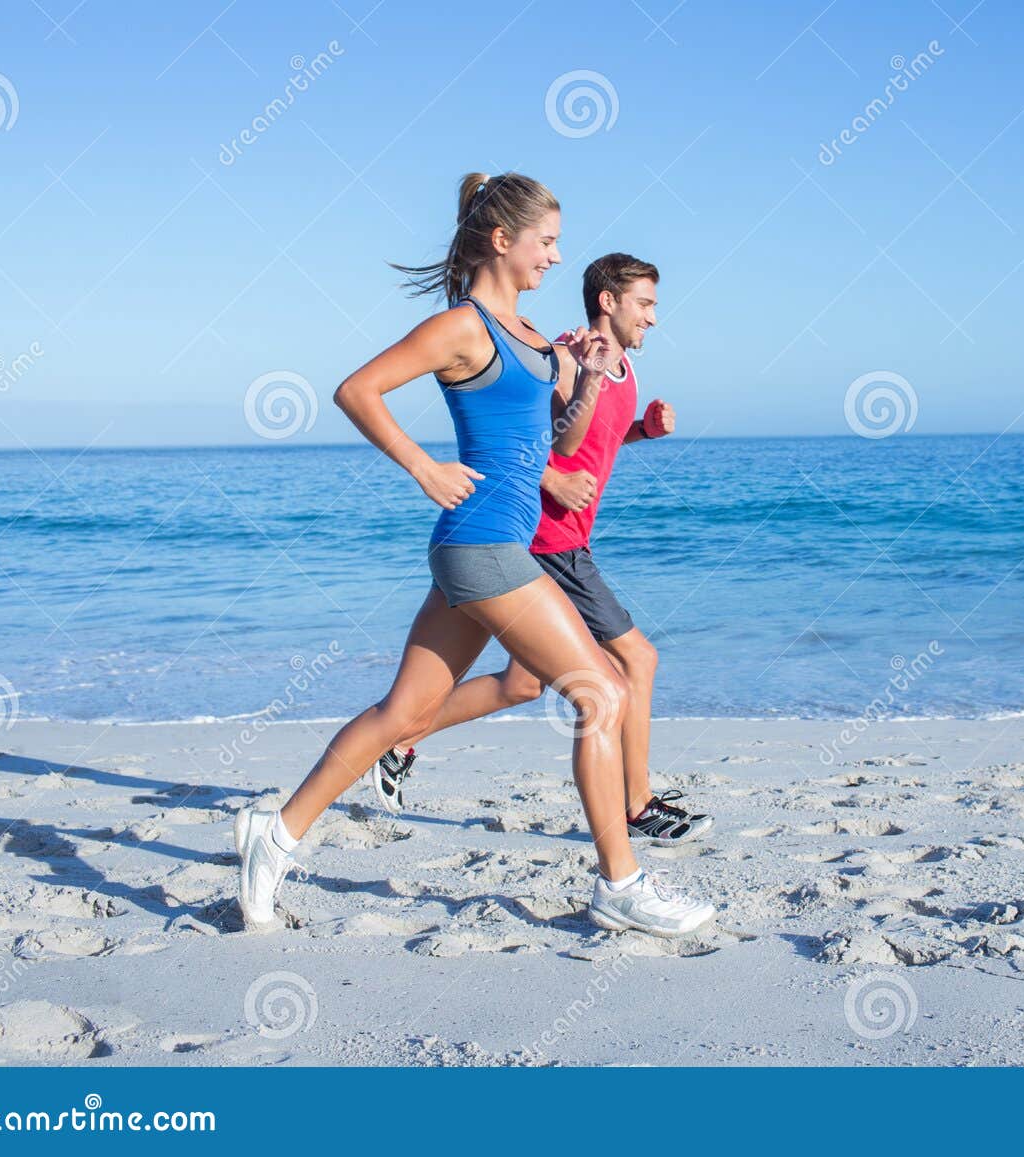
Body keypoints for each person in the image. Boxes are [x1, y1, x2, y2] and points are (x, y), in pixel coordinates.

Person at [233, 172, 715, 939]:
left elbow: (552, 449)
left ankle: (277, 832)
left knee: (405, 712)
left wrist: (587, 378)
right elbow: (358, 390)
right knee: (603, 692)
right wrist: (424, 468)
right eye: (547, 242)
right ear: (503, 241)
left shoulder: (534, 341)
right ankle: (621, 882)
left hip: (484, 547)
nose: (557, 258)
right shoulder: (464, 328)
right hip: (483, 546)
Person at [365, 253, 712, 847]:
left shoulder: (619, 369)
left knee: (519, 686)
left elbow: (588, 442)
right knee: (638, 660)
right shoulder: (566, 357)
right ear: (609, 301)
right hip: (549, 540)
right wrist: (551, 482)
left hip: (557, 541)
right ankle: (637, 804)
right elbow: (528, 441)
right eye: (645, 304)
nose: (654, 318)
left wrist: (642, 432)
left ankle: (397, 740)